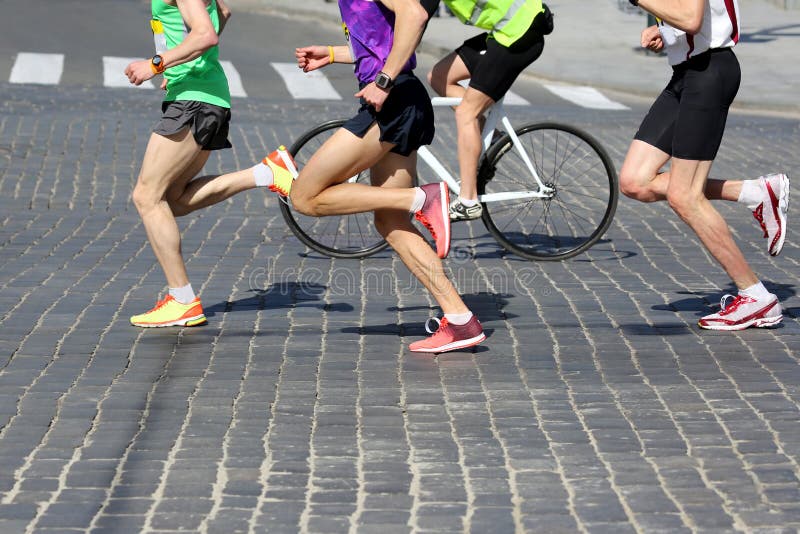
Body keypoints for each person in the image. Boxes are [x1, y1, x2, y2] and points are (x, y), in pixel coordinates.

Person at [292, 0, 485, 353]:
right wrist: (333, 54)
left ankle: (421, 198)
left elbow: (415, 15)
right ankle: (460, 320)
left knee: (304, 196)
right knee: (391, 222)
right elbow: (380, 39)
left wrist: (383, 80)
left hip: (392, 99)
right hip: (400, 99)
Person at [619, 0, 790, 330]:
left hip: (709, 74)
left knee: (685, 197)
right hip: (687, 74)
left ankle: (756, 297)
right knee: (635, 181)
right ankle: (756, 191)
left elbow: (692, 18)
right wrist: (665, 33)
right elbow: (690, 20)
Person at [125, 0, 296, 327]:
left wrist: (159, 63)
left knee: (147, 197)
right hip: (200, 95)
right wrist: (183, 64)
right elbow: (223, 14)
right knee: (171, 201)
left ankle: (183, 299)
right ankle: (267, 172)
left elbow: (204, 34)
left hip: (195, 100)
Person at [420, 0, 552, 221]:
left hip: (519, 34)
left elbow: (418, 17)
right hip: (505, 32)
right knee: (439, 76)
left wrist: (391, 65)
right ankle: (494, 138)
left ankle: (468, 201)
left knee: (466, 113)